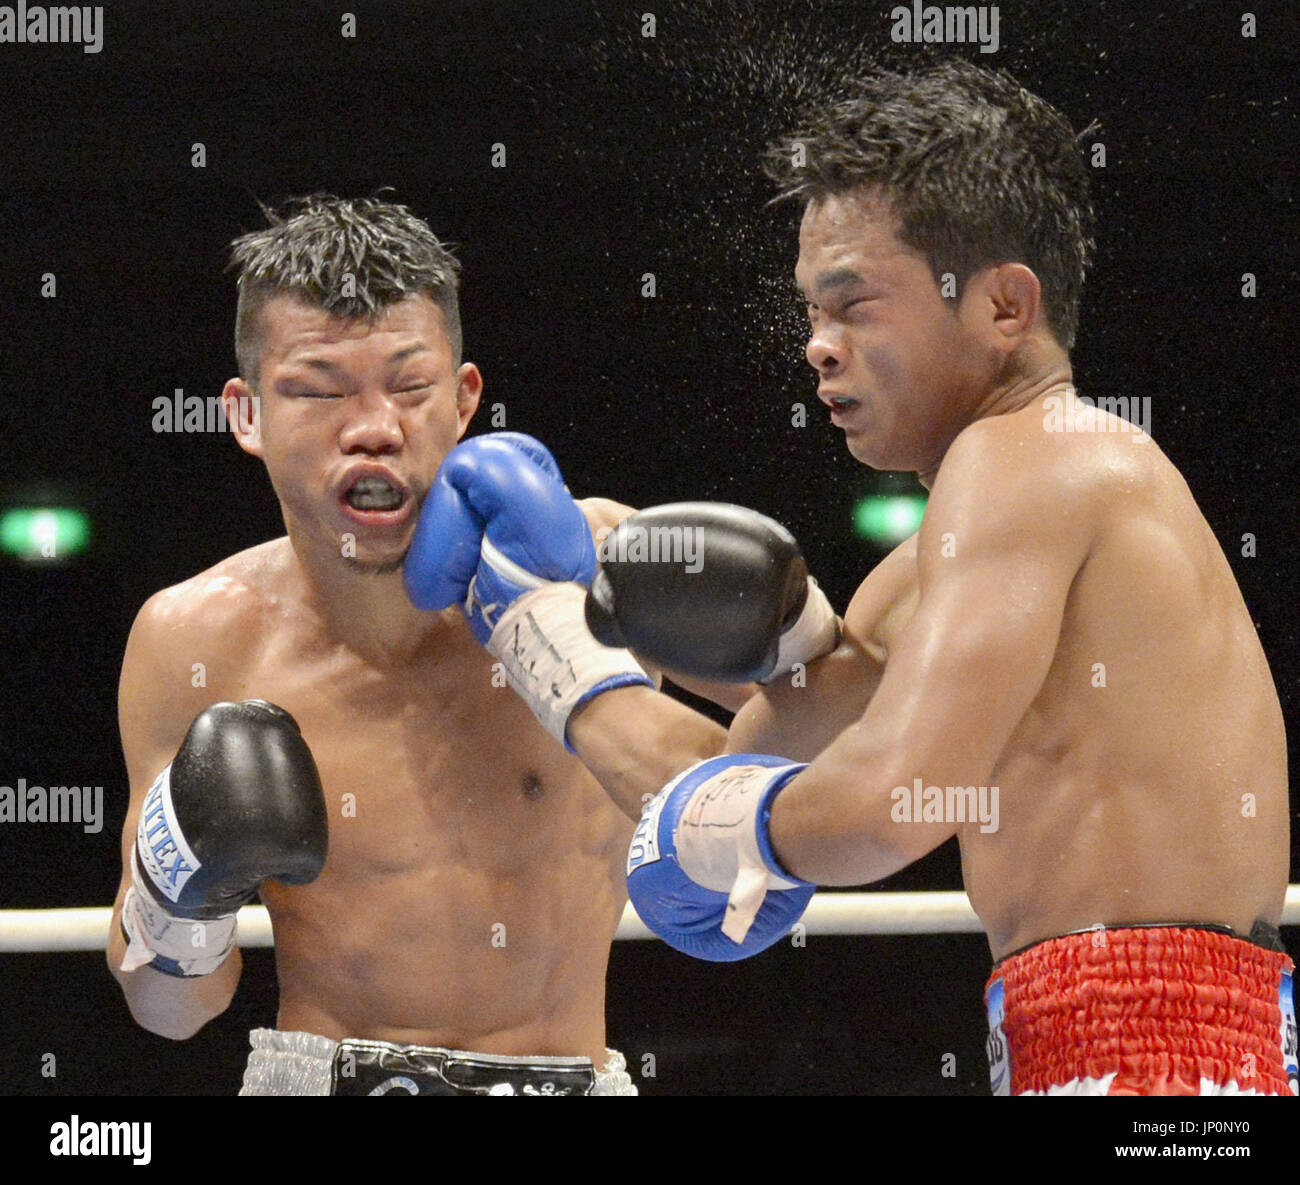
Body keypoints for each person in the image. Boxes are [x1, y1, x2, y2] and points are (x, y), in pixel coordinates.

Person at [414, 62, 1297, 1096]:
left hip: (1157, 1059)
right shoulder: (960, 548)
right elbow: (762, 757)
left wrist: (712, 833)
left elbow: (879, 810)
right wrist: (564, 619)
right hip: (1134, 1045)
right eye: (810, 312)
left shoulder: (1032, 461)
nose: (818, 349)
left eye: (854, 308)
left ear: (1004, 306)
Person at [105, 194, 699, 1096]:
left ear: (464, 400)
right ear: (247, 413)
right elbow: (169, 1009)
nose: (374, 425)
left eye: (410, 386)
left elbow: (839, 733)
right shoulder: (194, 637)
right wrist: (180, 889)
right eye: (318, 389)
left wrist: (795, 628)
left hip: (569, 1072)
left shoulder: (602, 568)